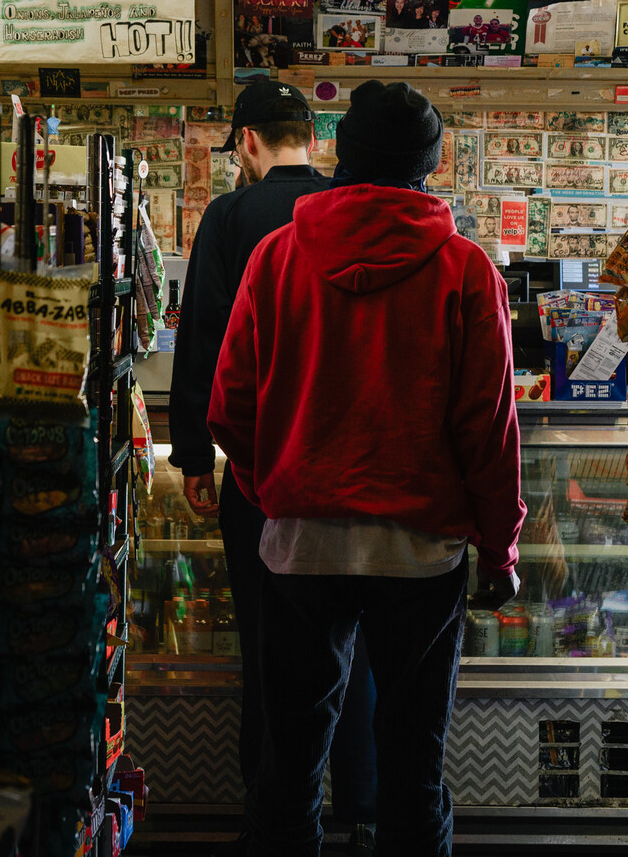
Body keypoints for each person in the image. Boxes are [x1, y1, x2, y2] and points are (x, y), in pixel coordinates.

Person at [209, 80, 524, 857]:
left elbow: (230, 404)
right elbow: (488, 428)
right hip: (421, 555)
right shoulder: (464, 269)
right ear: (430, 164)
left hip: (299, 548)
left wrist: (279, 489)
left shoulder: (275, 256)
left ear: (342, 156)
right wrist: (499, 548)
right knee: (412, 774)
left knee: (289, 775)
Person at [168, 82, 380, 857]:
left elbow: (205, 344)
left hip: (263, 474)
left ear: (248, 142)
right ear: (312, 137)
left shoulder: (228, 217)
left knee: (269, 646)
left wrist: (195, 453)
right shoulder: (350, 206)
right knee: (351, 642)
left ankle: (272, 804)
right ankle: (365, 802)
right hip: (351, 469)